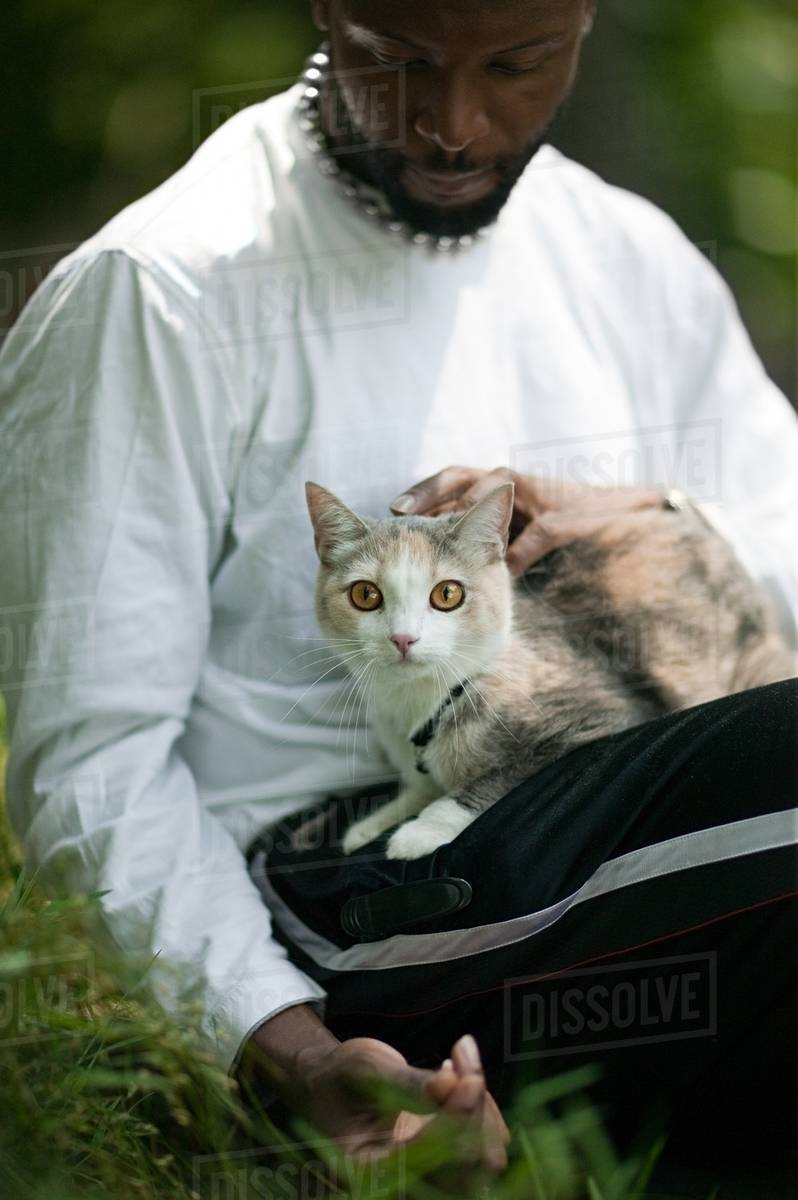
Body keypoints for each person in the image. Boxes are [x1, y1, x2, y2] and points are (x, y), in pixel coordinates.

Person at [1, 0, 796, 1179]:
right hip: (360, 896)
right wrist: (287, 1047)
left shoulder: (626, 253)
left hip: (643, 817)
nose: (454, 126)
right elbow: (90, 754)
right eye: (401, 64)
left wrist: (653, 513)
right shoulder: (159, 290)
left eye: (519, 66)